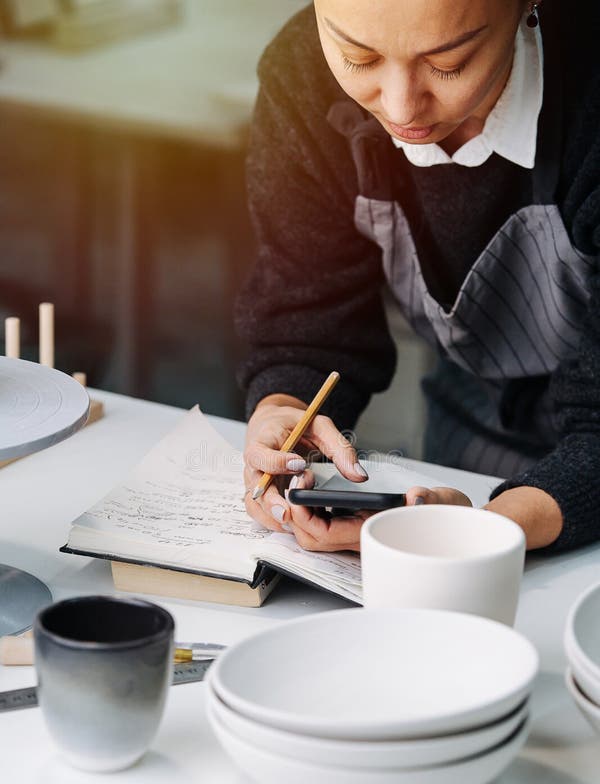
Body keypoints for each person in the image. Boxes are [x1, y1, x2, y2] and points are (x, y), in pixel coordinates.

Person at [235, 0, 600, 554]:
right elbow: (309, 322)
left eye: (449, 63)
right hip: (468, 429)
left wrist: (486, 532)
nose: (401, 106)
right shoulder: (302, 76)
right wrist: (284, 413)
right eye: (359, 58)